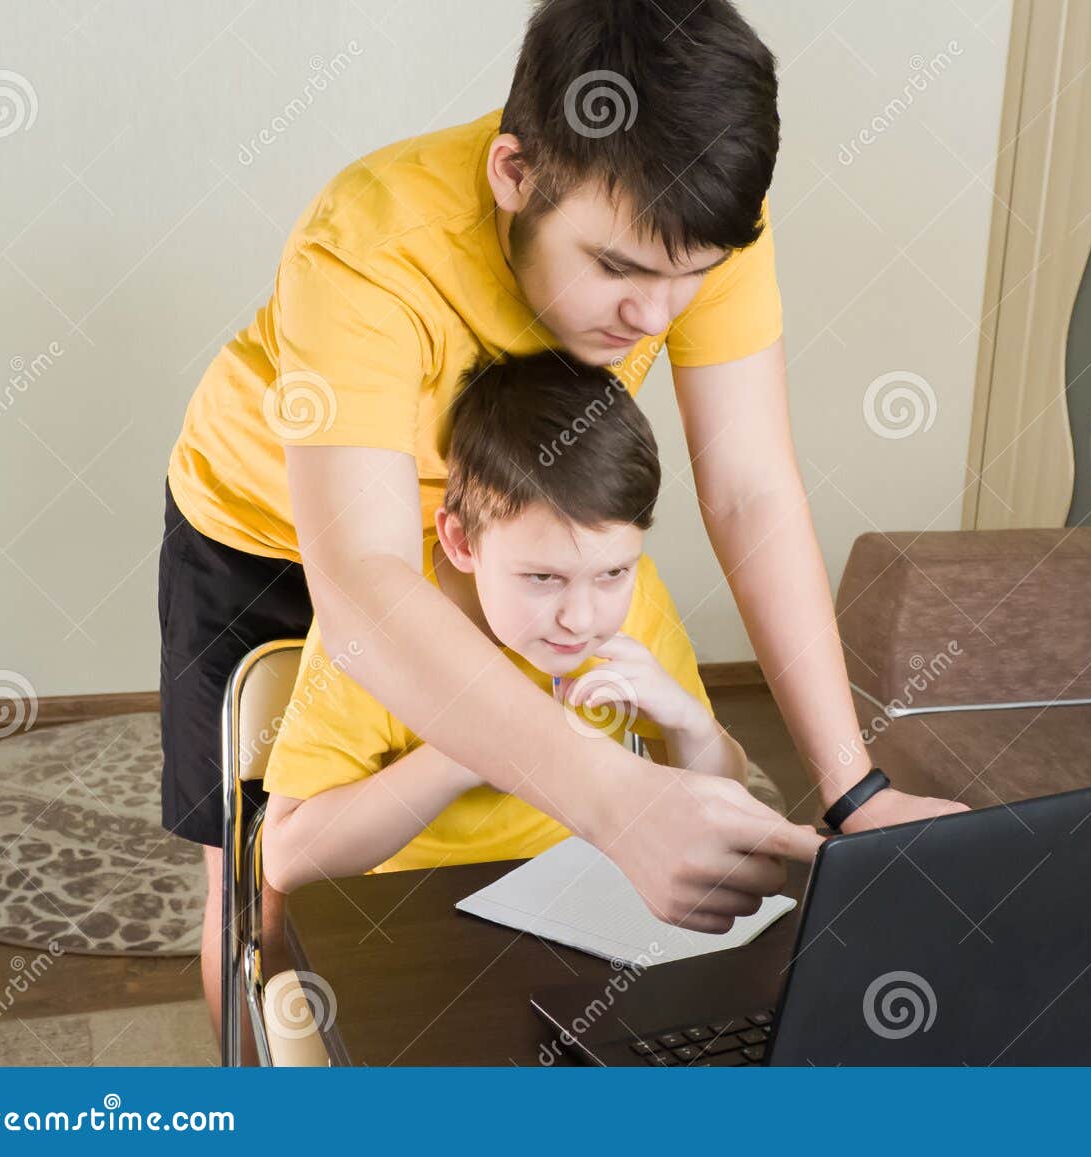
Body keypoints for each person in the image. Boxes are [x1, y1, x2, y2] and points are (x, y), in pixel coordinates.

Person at [158, 0, 967, 1055]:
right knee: (261, 903)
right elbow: (362, 580)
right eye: (618, 269)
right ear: (513, 173)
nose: (658, 316)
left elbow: (750, 491)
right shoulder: (368, 244)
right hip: (276, 528)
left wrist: (854, 792)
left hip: (507, 533)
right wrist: (618, 801)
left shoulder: (697, 216)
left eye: (689, 275)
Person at [261, 353, 754, 894]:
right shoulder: (379, 621)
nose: (580, 618)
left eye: (613, 572)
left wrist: (687, 724)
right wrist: (479, 743)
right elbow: (287, 858)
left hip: (583, 896)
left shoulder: (634, 602)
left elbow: (722, 804)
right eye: (543, 578)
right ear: (461, 541)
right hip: (414, 909)